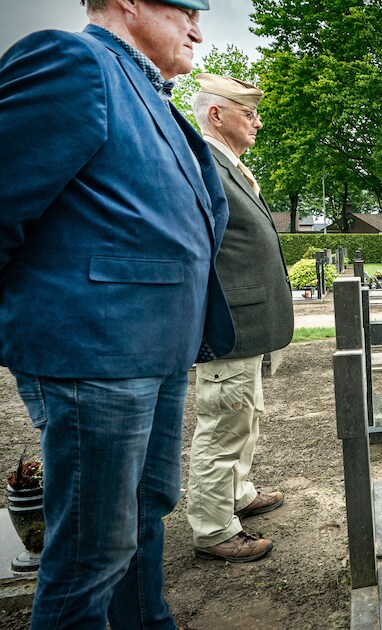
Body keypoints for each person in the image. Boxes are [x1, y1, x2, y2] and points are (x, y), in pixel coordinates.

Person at [0, 1, 237, 625]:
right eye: (183, 7)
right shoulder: (72, 61)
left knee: (142, 521)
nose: (196, 26)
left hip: (154, 350)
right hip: (94, 351)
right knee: (90, 556)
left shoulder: (151, 92)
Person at [188, 73, 294, 563]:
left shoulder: (229, 165)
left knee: (245, 417)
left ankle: (237, 494)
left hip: (247, 323)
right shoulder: (203, 163)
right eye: (247, 113)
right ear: (216, 115)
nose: (257, 121)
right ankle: (213, 528)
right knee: (223, 424)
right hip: (228, 324)